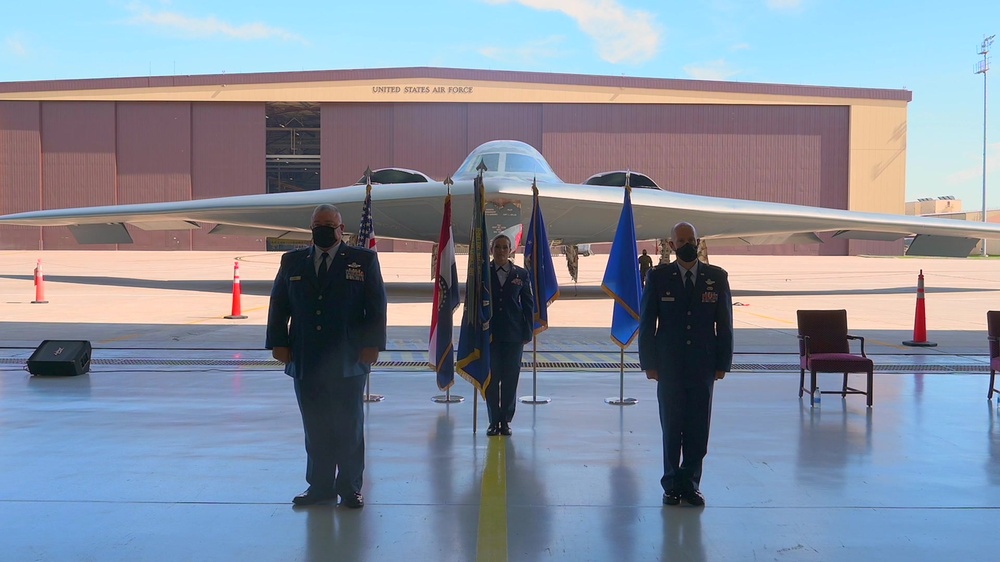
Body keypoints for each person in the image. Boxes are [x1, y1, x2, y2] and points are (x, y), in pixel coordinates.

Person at [266, 204, 387, 508]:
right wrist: (278, 342)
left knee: (348, 427)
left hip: (349, 358)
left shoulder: (363, 260)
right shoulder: (292, 261)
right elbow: (279, 304)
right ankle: (319, 487)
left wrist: (373, 345)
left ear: (341, 228)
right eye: (317, 224)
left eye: (329, 224)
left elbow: (376, 306)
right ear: (310, 228)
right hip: (306, 357)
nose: (323, 228)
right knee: (316, 427)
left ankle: (349, 488)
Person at [638, 221, 733, 507]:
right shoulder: (659, 277)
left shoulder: (716, 277)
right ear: (671, 246)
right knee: (672, 426)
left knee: (697, 429)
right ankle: (671, 485)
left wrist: (722, 363)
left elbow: (725, 324)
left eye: (691, 239)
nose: (687, 244)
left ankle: (691, 484)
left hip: (703, 365)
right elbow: (647, 324)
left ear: (698, 241)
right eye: (681, 241)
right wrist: (649, 363)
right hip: (669, 366)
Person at [486, 234, 534, 437]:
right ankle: (493, 420)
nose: (501, 251)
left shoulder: (521, 274)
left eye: (505, 247)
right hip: (490, 336)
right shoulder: (483, 273)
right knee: (491, 378)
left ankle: (505, 420)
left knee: (510, 378)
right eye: (497, 247)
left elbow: (528, 305)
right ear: (492, 250)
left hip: (514, 334)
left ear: (511, 250)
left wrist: (528, 331)